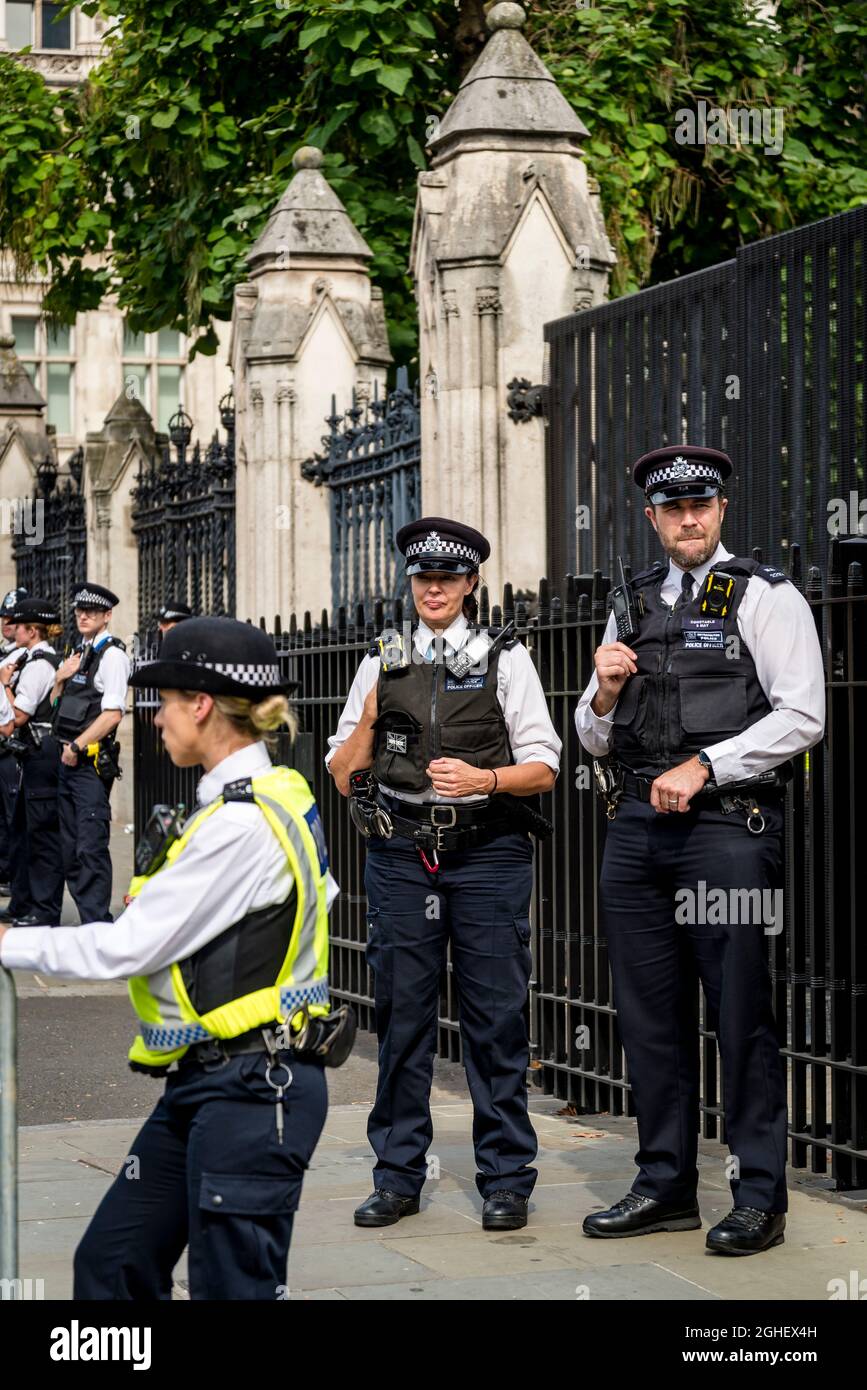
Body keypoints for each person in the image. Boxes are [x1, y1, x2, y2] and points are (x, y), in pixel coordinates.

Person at [0, 616, 338, 1300]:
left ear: (203, 704)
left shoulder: (243, 822)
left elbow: (126, 947)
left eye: (166, 702)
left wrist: (10, 942)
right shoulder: (275, 794)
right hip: (212, 1082)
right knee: (111, 1266)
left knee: (229, 1290)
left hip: (253, 1088)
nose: (155, 720)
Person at [575, 445, 825, 1255]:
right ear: (651, 519)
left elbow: (802, 715)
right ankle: (664, 1184)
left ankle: (758, 1195)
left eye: (701, 504)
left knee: (740, 1014)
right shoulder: (630, 602)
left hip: (728, 831)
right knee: (647, 1019)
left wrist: (707, 764)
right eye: (671, 507)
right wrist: (605, 692)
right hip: (637, 831)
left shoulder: (763, 596)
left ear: (719, 511)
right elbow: (589, 735)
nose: (687, 518)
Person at [327, 516, 562, 1232]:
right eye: (424, 577)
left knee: (494, 1019)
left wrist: (483, 779)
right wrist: (369, 716)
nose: (435, 588)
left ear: (470, 584)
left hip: (488, 852)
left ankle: (504, 1178)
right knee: (402, 1019)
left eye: (449, 578)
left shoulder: (504, 656)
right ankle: (397, 1176)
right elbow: (342, 775)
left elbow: (545, 767)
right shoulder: (382, 659)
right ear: (411, 583)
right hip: (401, 854)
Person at [51, 582, 130, 923]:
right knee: (70, 850)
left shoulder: (112, 655)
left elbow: (113, 713)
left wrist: (77, 746)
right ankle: (90, 923)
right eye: (80, 611)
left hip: (88, 764)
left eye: (92, 612)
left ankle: (99, 925)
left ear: (107, 616)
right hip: (66, 760)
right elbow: (54, 707)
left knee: (89, 846)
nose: (83, 616)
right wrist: (59, 678)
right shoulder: (77, 653)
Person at [0, 597, 64, 926]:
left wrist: (3, 686)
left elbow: (20, 715)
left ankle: (45, 910)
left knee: (41, 835)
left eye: (19, 625)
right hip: (31, 756)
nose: (12, 629)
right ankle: (22, 904)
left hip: (41, 755)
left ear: (32, 630)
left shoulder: (40, 664)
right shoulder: (29, 659)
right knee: (22, 832)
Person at [0, 587, 26, 898]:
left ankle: (12, 873)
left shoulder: (24, 657)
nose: (7, 623)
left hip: (15, 743)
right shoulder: (7, 653)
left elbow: (17, 711)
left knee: (13, 815)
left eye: (12, 619)